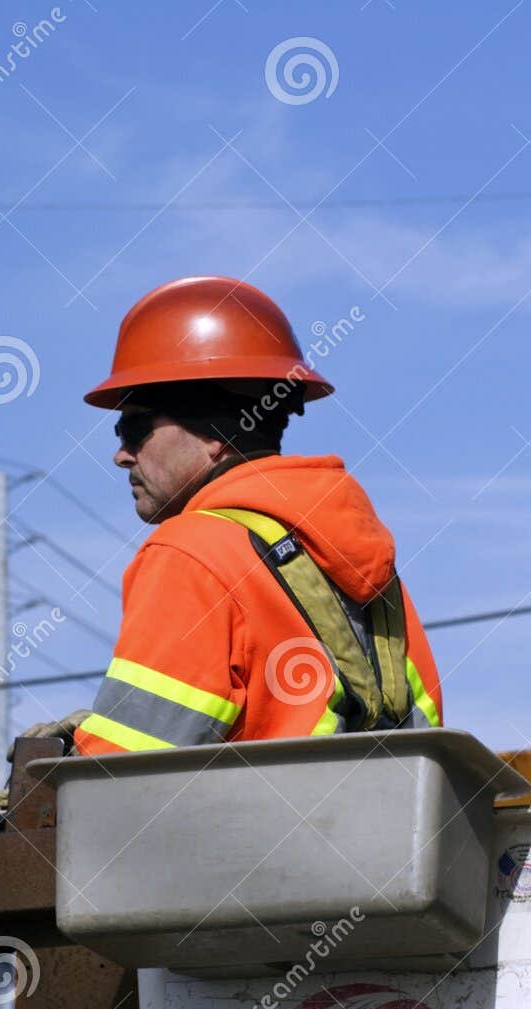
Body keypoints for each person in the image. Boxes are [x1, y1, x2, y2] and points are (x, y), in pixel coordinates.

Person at [29, 275, 441, 756]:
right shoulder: (365, 565)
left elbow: (121, 777)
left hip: (248, 832)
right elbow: (419, 745)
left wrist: (61, 769)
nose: (121, 454)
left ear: (212, 434)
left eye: (135, 428)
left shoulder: (191, 551)